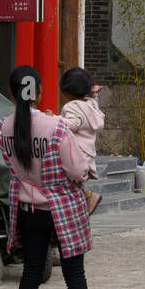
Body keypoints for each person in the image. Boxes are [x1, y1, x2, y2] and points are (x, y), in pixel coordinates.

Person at [0, 65, 93, 289]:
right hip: (62, 206)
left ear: (12, 93)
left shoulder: (3, 126)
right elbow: (77, 170)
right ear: (38, 91)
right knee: (74, 274)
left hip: (28, 209)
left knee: (30, 273)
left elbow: (7, 164)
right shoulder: (57, 127)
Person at [60, 67, 104, 215]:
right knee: (74, 185)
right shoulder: (90, 105)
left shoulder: (71, 107)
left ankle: (88, 199)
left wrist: (53, 119)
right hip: (88, 154)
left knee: (62, 181)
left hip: (76, 155)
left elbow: (73, 124)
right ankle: (86, 199)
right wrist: (93, 96)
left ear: (66, 92)